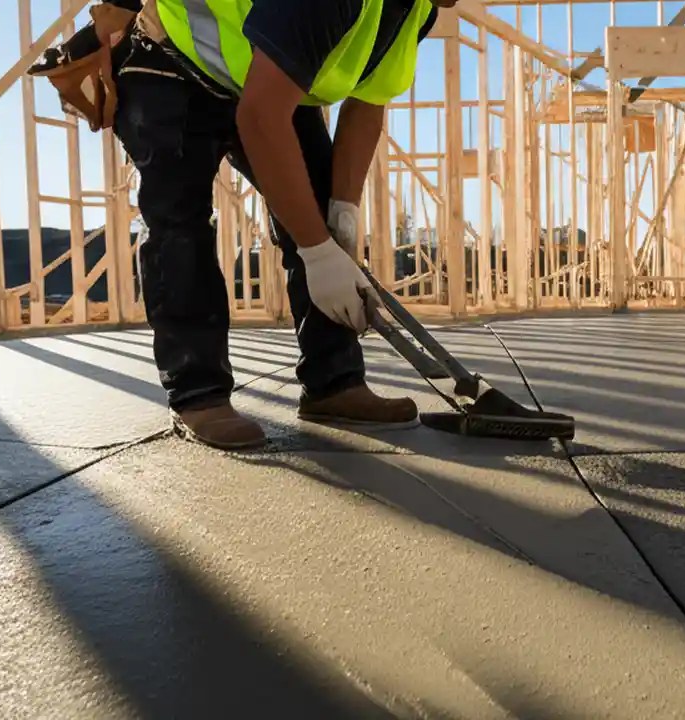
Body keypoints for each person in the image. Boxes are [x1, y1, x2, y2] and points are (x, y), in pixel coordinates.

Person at [107, 0, 456, 450]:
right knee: (179, 222)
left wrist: (340, 219)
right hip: (172, 55)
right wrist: (316, 252)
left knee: (315, 208)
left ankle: (334, 383)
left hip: (263, 69)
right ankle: (198, 394)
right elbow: (260, 115)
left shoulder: (415, 8)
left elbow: (368, 102)